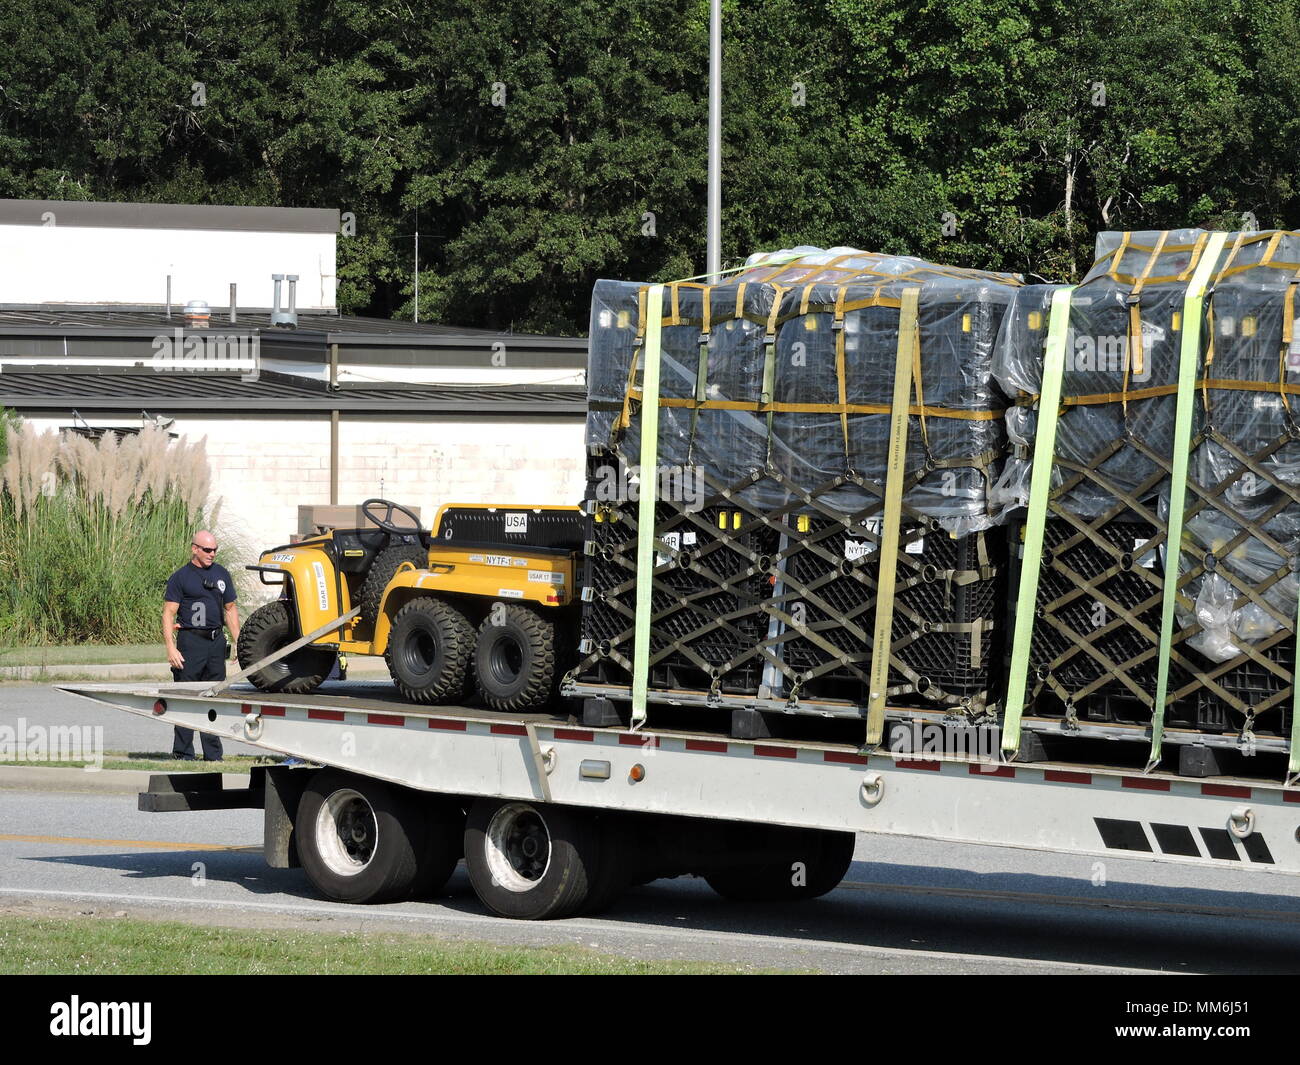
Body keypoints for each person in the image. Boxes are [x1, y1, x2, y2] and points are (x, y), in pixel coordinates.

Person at [163, 530, 240, 761]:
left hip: (215, 643)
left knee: (213, 697)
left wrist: (239, 641)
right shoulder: (181, 577)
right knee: (186, 697)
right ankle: (183, 752)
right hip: (190, 642)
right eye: (207, 550)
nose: (212, 554)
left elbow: (230, 609)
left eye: (215, 549)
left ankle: (213, 755)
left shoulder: (221, 574)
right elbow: (168, 613)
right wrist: (170, 647)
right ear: (194, 548)